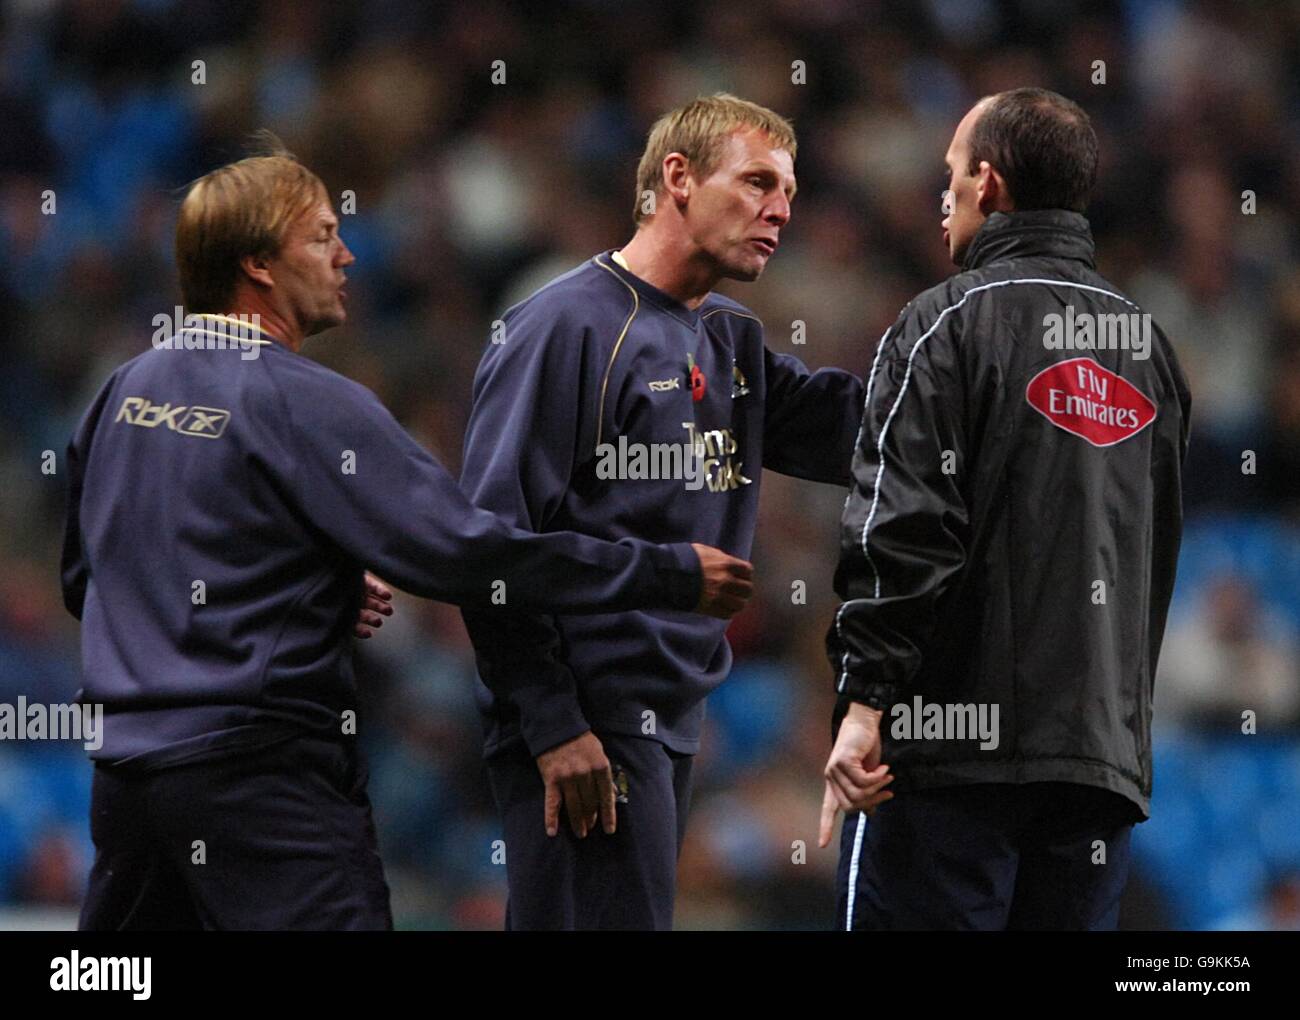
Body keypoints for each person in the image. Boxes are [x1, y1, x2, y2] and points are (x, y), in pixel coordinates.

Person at [62, 144, 753, 931]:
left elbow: (89, 581)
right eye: (322, 236)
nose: (346, 254)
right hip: (261, 788)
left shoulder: (126, 389)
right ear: (258, 263)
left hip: (126, 784)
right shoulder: (307, 401)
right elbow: (466, 553)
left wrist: (310, 585)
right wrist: (662, 574)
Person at [459, 93, 866, 930]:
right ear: (677, 178)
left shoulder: (730, 339)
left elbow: (854, 430)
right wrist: (553, 723)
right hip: (585, 724)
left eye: (787, 192)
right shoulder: (565, 325)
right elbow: (488, 547)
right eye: (757, 182)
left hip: (666, 723)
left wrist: (978, 378)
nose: (780, 209)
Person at [819, 88, 1192, 930]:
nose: (940, 193)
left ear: (987, 183)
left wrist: (865, 702)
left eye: (949, 173)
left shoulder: (940, 325)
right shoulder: (1150, 350)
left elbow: (903, 530)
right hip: (1096, 769)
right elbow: (1156, 556)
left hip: (947, 762)